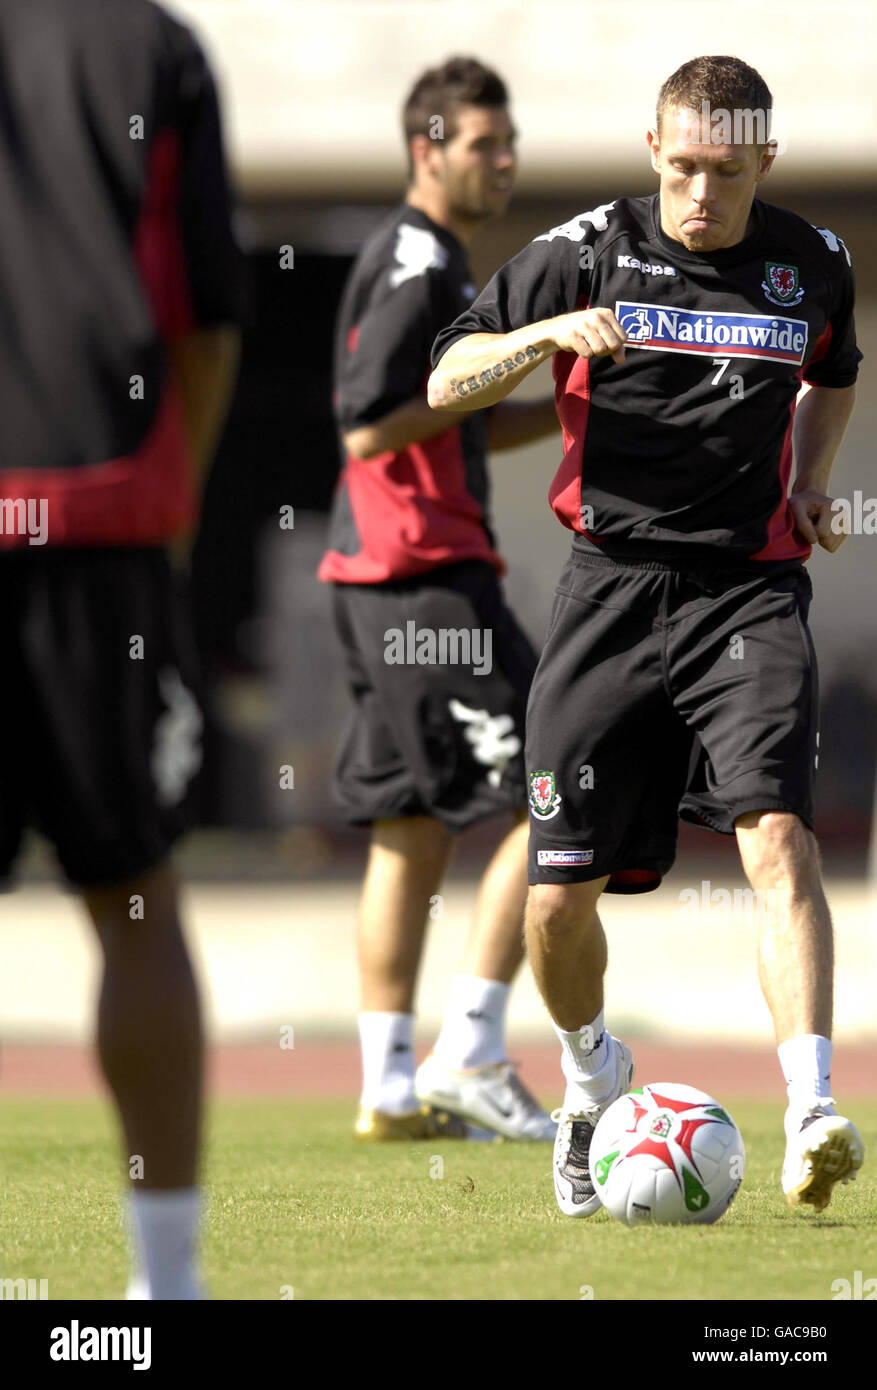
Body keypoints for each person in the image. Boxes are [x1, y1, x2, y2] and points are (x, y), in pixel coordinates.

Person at [428, 54, 865, 1211]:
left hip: (748, 590)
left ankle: (812, 1109)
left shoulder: (812, 264)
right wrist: (546, 336)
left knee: (776, 835)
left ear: (763, 162)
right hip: (608, 590)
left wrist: (813, 480)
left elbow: (833, 374)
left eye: (727, 171)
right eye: (681, 168)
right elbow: (446, 382)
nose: (702, 192)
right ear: (651, 151)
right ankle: (589, 1077)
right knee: (556, 898)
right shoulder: (584, 250)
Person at [0, 0, 242, 1294]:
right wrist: (174, 513)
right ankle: (167, 1285)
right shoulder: (147, 43)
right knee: (137, 900)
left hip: (94, 518)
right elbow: (209, 317)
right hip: (96, 523)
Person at [318, 57, 560, 1141]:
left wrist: (571, 396)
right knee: (557, 789)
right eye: (483, 144)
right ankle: (470, 1050)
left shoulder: (440, 263)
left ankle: (385, 1086)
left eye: (509, 142)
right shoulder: (417, 262)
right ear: (428, 148)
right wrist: (529, 342)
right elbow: (370, 424)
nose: (503, 160)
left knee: (407, 830)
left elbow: (453, 413)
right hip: (423, 581)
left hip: (382, 579)